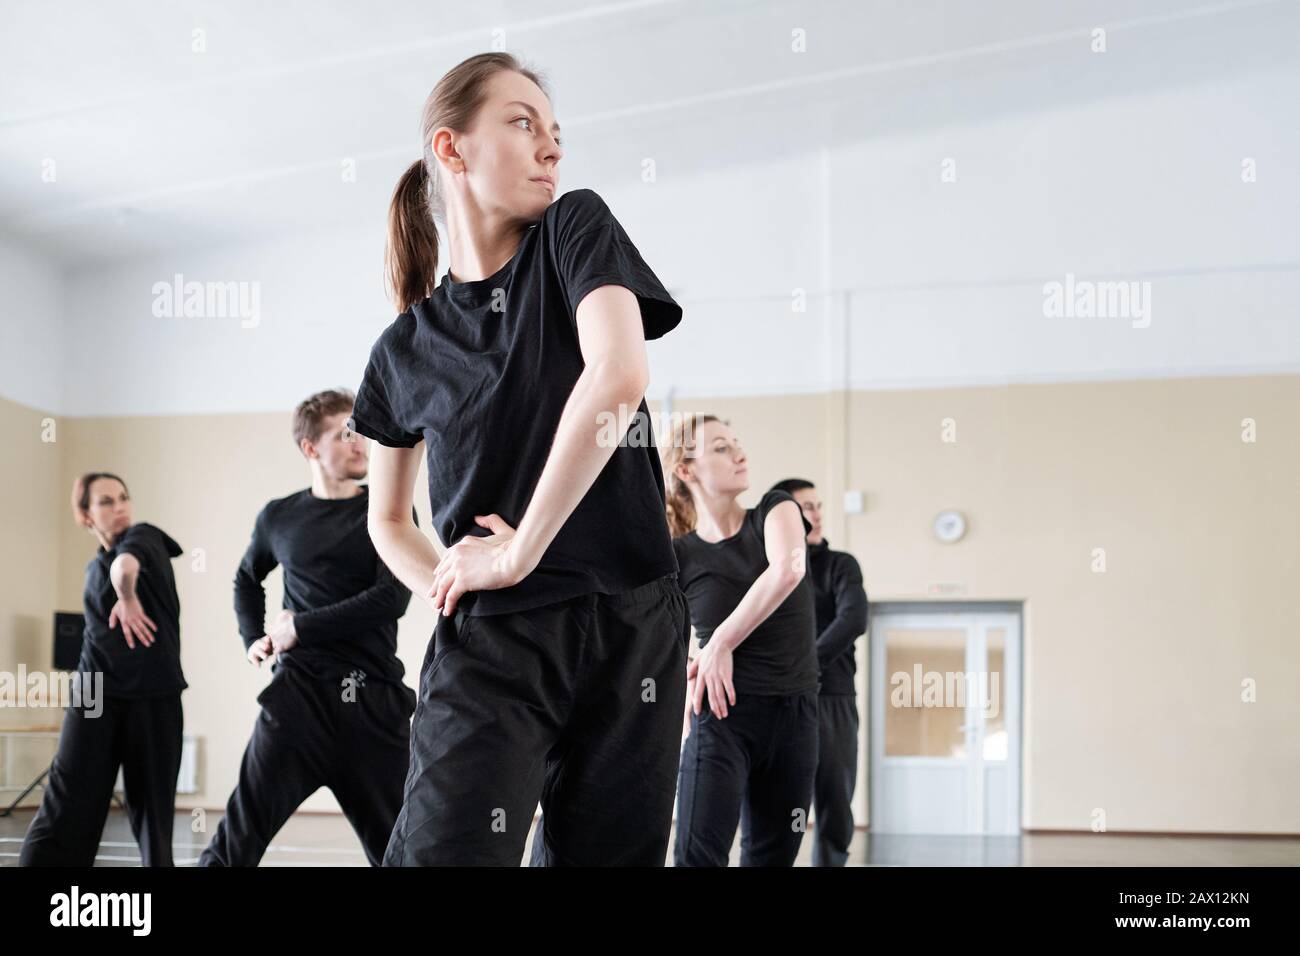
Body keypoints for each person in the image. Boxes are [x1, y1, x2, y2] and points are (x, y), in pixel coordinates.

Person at [350, 52, 689, 866]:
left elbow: (619, 374)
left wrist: (517, 549)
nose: (551, 148)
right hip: (495, 642)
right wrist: (453, 578)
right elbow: (387, 520)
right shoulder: (403, 351)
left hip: (634, 623)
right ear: (452, 147)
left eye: (555, 131)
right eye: (522, 122)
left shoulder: (576, 229)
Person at [199, 389, 417, 867]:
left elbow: (391, 598)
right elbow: (245, 578)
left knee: (402, 851)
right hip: (298, 700)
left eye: (362, 433)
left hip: (371, 702)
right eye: (345, 434)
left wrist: (301, 627)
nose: (360, 443)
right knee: (237, 840)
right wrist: (250, 638)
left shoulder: (387, 511)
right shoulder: (279, 516)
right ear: (310, 448)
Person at [665, 416, 821, 866]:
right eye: (720, 447)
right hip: (720, 717)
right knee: (697, 855)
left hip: (794, 717)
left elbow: (788, 569)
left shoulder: (777, 509)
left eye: (737, 443)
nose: (739, 453)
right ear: (686, 470)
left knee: (771, 856)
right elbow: (659, 631)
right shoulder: (679, 554)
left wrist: (720, 643)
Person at [20, 473, 186, 866]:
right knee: (68, 799)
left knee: (152, 813)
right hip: (94, 692)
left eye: (124, 497)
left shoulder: (145, 538)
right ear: (84, 514)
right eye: (107, 501)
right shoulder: (93, 568)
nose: (120, 507)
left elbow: (125, 568)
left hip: (153, 693)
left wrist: (126, 596)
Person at [771, 478, 868, 866]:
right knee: (776, 801)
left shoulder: (840, 565)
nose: (816, 514)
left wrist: (805, 664)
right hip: (778, 697)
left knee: (834, 801)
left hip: (831, 698)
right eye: (806, 507)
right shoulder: (769, 568)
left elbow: (853, 619)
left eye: (818, 505)